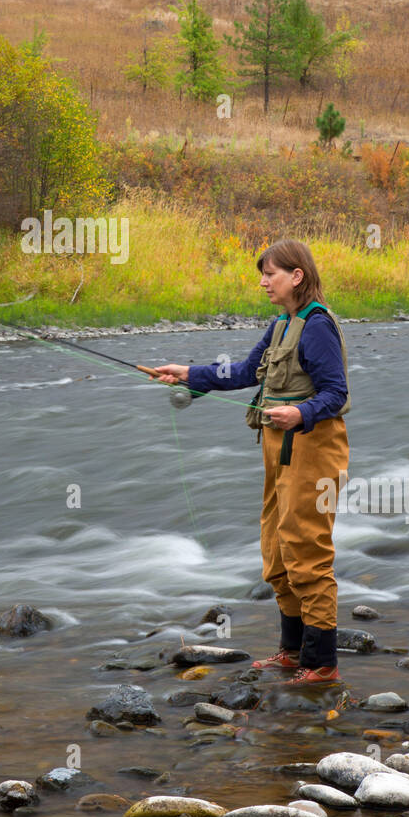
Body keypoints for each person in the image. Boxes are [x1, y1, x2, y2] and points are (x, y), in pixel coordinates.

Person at [154, 238, 350, 685]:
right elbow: (245, 371)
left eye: (271, 274)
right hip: (276, 446)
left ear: (296, 276)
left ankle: (321, 664)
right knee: (276, 552)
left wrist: (301, 412)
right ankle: (292, 651)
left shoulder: (316, 325)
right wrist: (189, 374)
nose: (263, 282)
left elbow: (335, 394)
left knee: (307, 553)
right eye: (262, 274)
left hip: (313, 446)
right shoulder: (282, 323)